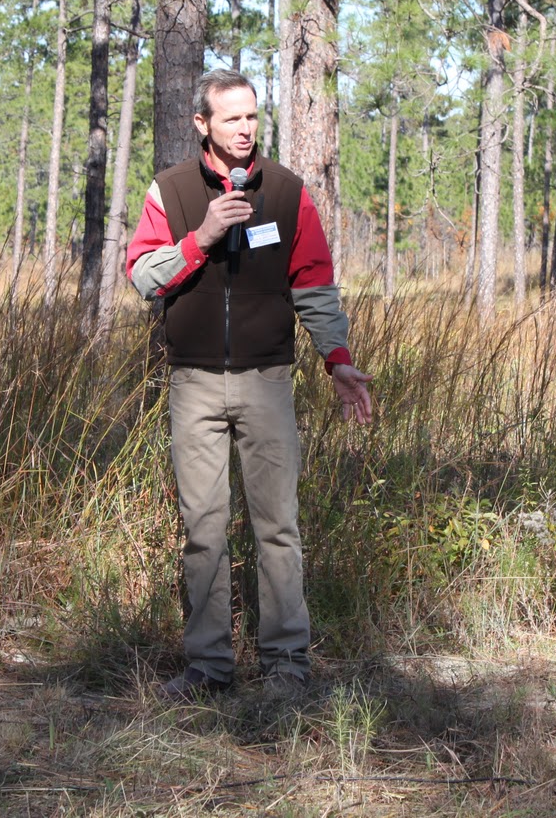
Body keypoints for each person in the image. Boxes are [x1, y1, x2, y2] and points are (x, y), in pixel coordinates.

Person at [126, 67, 374, 700]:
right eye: (231, 118)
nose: (244, 129)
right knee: (203, 528)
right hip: (195, 382)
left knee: (277, 525)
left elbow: (314, 284)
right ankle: (208, 666)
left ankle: (287, 663)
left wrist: (337, 357)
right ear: (202, 124)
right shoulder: (170, 190)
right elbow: (144, 277)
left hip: (268, 380)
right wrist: (203, 236)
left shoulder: (287, 192)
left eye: (252, 117)